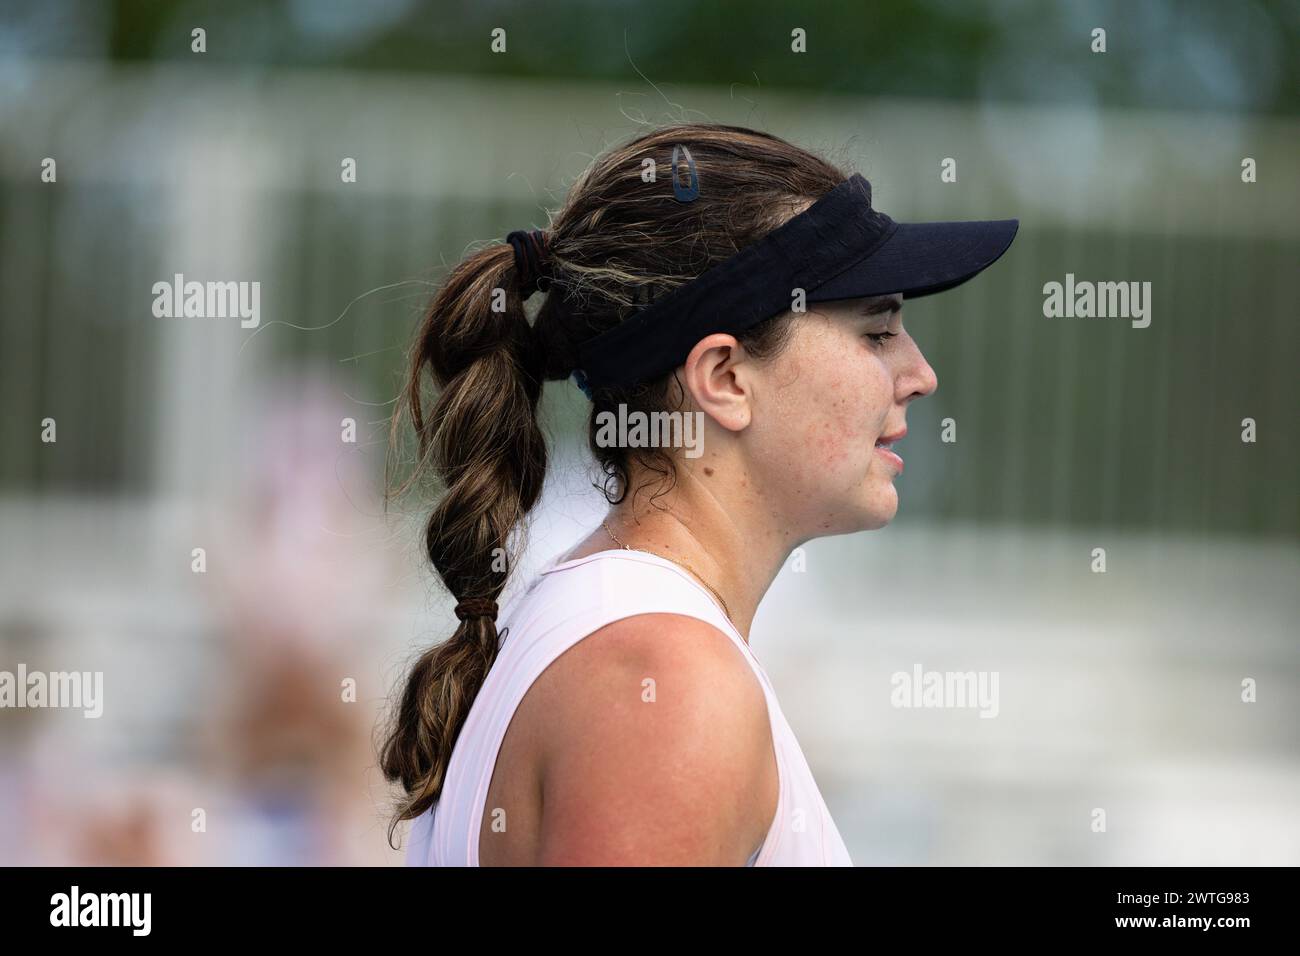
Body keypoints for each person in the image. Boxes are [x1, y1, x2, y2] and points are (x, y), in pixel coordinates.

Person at [381, 123, 1018, 865]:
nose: (920, 373)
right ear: (724, 379)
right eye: (877, 332)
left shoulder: (626, 646)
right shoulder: (667, 684)